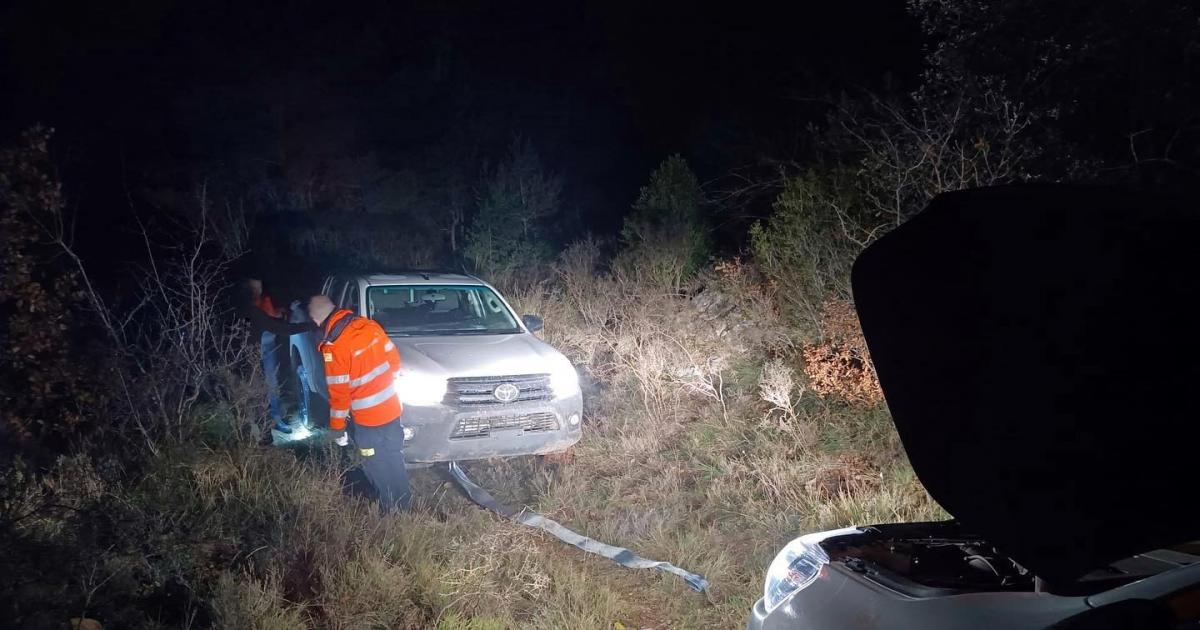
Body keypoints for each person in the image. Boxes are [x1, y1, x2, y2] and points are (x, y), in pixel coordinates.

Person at [307, 294, 412, 510]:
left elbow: (339, 396)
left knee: (374, 461)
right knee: (394, 455)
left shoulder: (334, 349)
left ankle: (390, 509)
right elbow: (393, 359)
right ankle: (405, 503)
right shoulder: (369, 325)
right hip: (392, 410)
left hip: (367, 422)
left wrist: (337, 430)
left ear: (317, 321)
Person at [238, 279, 314, 437]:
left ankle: (268, 424)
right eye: (256, 289)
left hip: (256, 354)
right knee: (263, 390)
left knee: (267, 387)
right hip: (257, 356)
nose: (260, 291)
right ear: (251, 292)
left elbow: (272, 322)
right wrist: (311, 326)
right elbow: (279, 328)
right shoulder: (252, 311)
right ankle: (266, 432)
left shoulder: (250, 308)